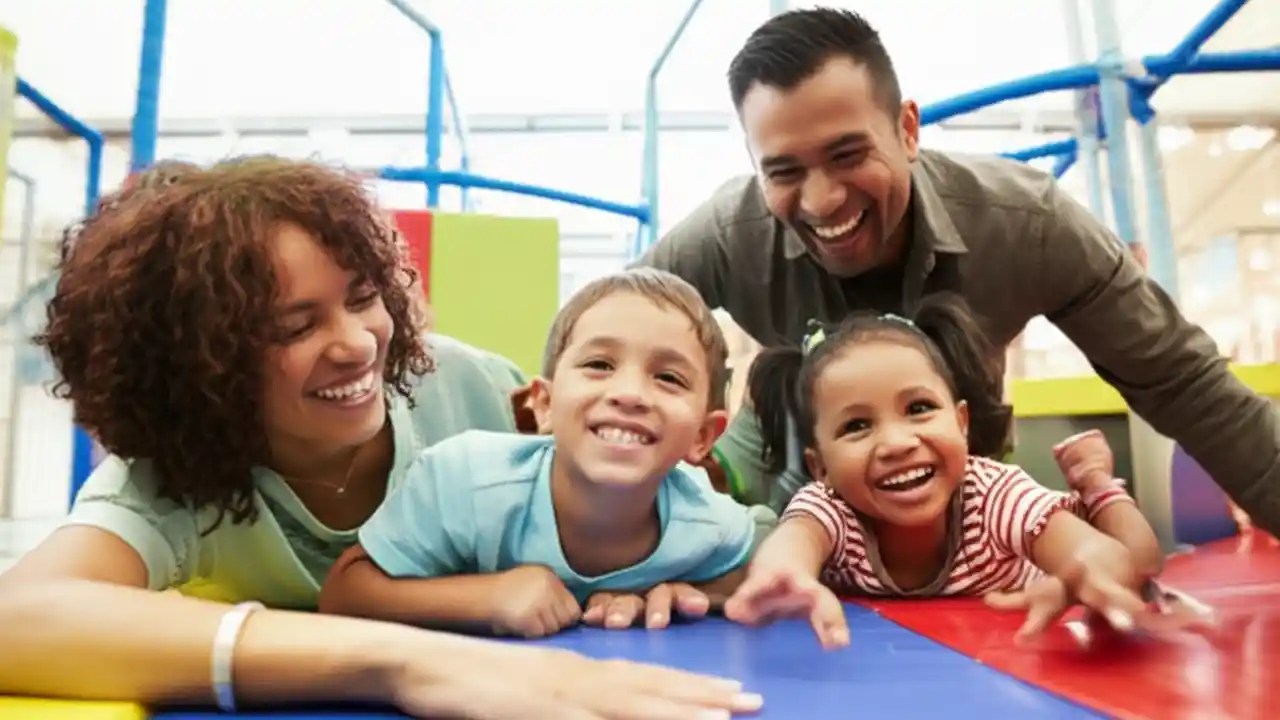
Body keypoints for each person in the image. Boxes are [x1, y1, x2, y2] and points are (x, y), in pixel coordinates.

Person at [0, 157, 764, 719]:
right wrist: (405, 660)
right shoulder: (171, 485)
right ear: (203, 362)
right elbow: (19, 619)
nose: (358, 344)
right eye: (296, 326)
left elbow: (643, 484)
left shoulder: (468, 390)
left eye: (363, 299)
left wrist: (680, 574)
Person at [632, 6, 1280, 536]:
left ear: (907, 130)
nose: (822, 199)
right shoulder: (729, 236)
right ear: (755, 164)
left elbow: (1186, 384)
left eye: (848, 153)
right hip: (802, 507)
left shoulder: (1029, 224)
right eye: (784, 171)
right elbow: (592, 348)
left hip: (963, 511)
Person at [718, 294, 1206, 647]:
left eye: (919, 408)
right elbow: (794, 543)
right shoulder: (830, 508)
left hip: (1024, 600)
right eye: (857, 426)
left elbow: (1101, 556)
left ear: (962, 422)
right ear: (819, 466)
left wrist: (1084, 570)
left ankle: (1095, 482)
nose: (896, 442)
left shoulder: (993, 495)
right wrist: (784, 574)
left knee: (1140, 558)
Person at [320, 268, 776, 636]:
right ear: (543, 404)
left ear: (703, 435)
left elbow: (778, 561)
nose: (630, 393)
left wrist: (687, 590)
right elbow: (344, 592)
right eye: (599, 365)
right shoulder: (466, 482)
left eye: (669, 378)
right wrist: (487, 599)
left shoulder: (702, 520)